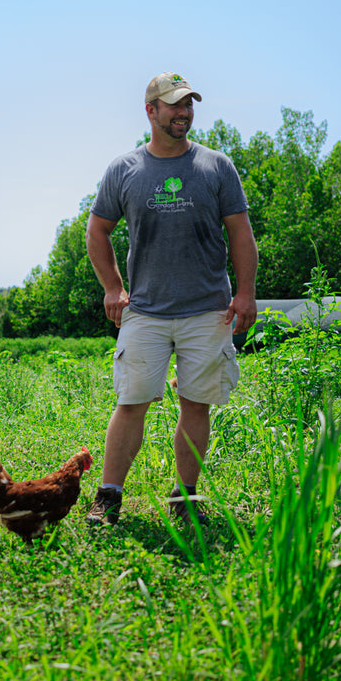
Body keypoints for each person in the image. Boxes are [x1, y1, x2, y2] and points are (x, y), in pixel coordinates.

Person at [85, 72, 258, 526]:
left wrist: (245, 293)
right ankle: (109, 496)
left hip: (208, 309)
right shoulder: (124, 170)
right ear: (151, 110)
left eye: (188, 105)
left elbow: (240, 233)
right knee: (131, 402)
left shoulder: (216, 166)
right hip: (145, 309)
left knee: (196, 403)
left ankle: (186, 498)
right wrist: (112, 287)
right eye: (174, 105)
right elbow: (97, 230)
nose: (183, 112)